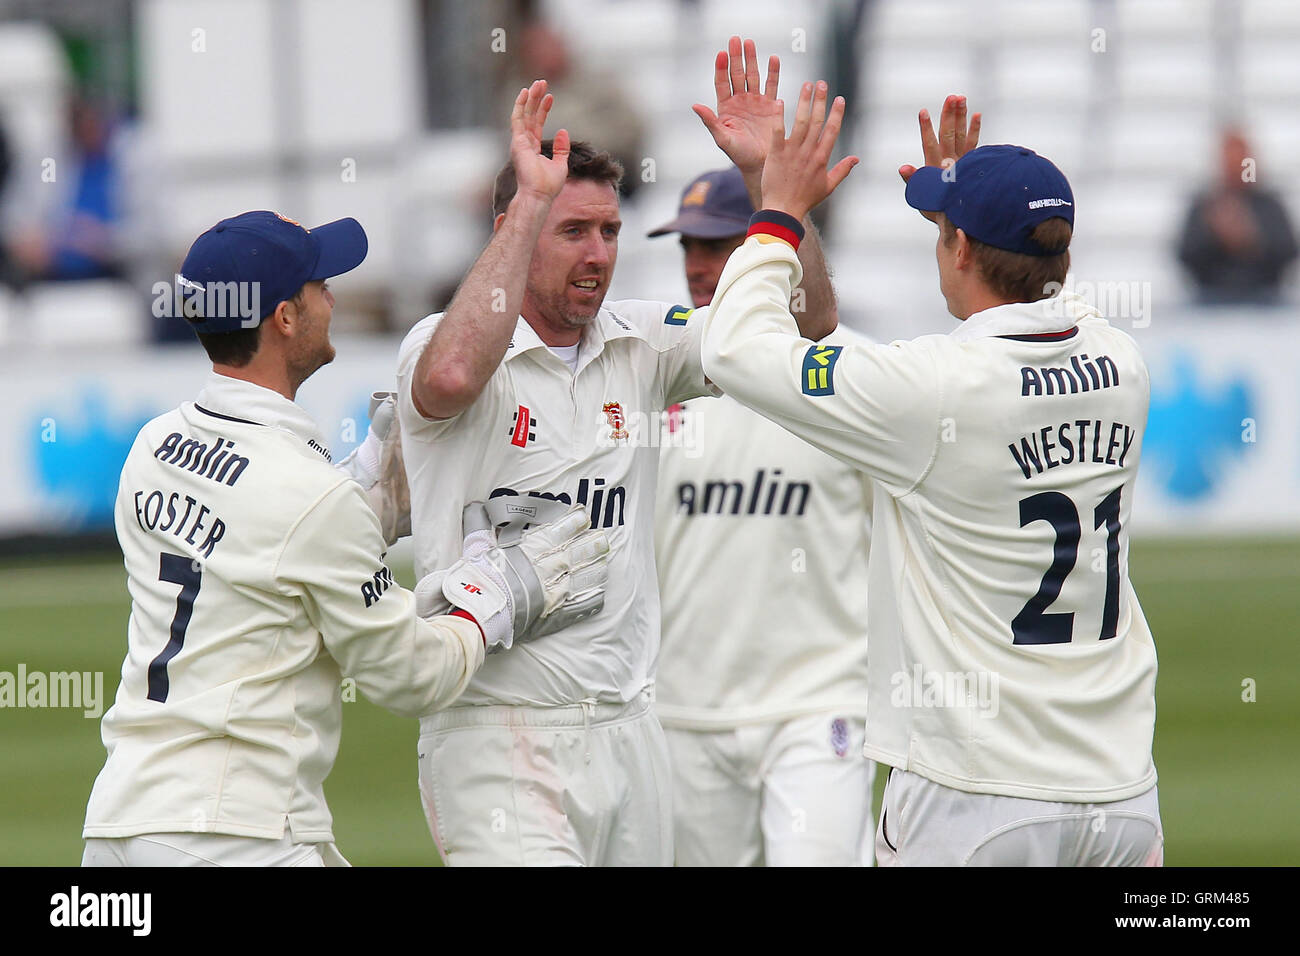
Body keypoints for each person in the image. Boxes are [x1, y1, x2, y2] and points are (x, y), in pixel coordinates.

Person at [395, 39, 838, 866]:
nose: (598, 254)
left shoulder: (641, 343)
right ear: (516, 228)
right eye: (570, 231)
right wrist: (527, 207)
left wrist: (770, 193)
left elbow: (808, 325)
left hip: (633, 732)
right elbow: (450, 376)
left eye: (609, 230)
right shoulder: (445, 342)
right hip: (500, 732)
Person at [700, 86, 1164, 866]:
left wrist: (776, 212)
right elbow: (1041, 285)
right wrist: (972, 221)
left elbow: (734, 347)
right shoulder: (1124, 361)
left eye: (945, 232)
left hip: (975, 793)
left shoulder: (930, 389)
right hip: (1121, 794)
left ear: (958, 251)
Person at [82, 210, 608, 867]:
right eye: (319, 284)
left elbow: (254, 557)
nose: (333, 296)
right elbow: (412, 674)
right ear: (285, 318)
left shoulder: (153, 446)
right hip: (234, 834)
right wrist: (495, 598)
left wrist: (366, 505)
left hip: (119, 824)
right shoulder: (310, 499)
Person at [648, 164, 877, 866]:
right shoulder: (652, 374)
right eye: (686, 247)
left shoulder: (848, 374)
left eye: (716, 246)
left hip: (819, 706)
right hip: (682, 710)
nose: (696, 265)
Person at [1176, 127, 1298, 305]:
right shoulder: (1204, 204)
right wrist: (1216, 237)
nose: (1235, 165)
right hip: (1210, 300)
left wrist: (1251, 241)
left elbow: (1288, 252)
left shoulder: (1270, 204)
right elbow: (1186, 256)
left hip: (1266, 299)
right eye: (1230, 158)